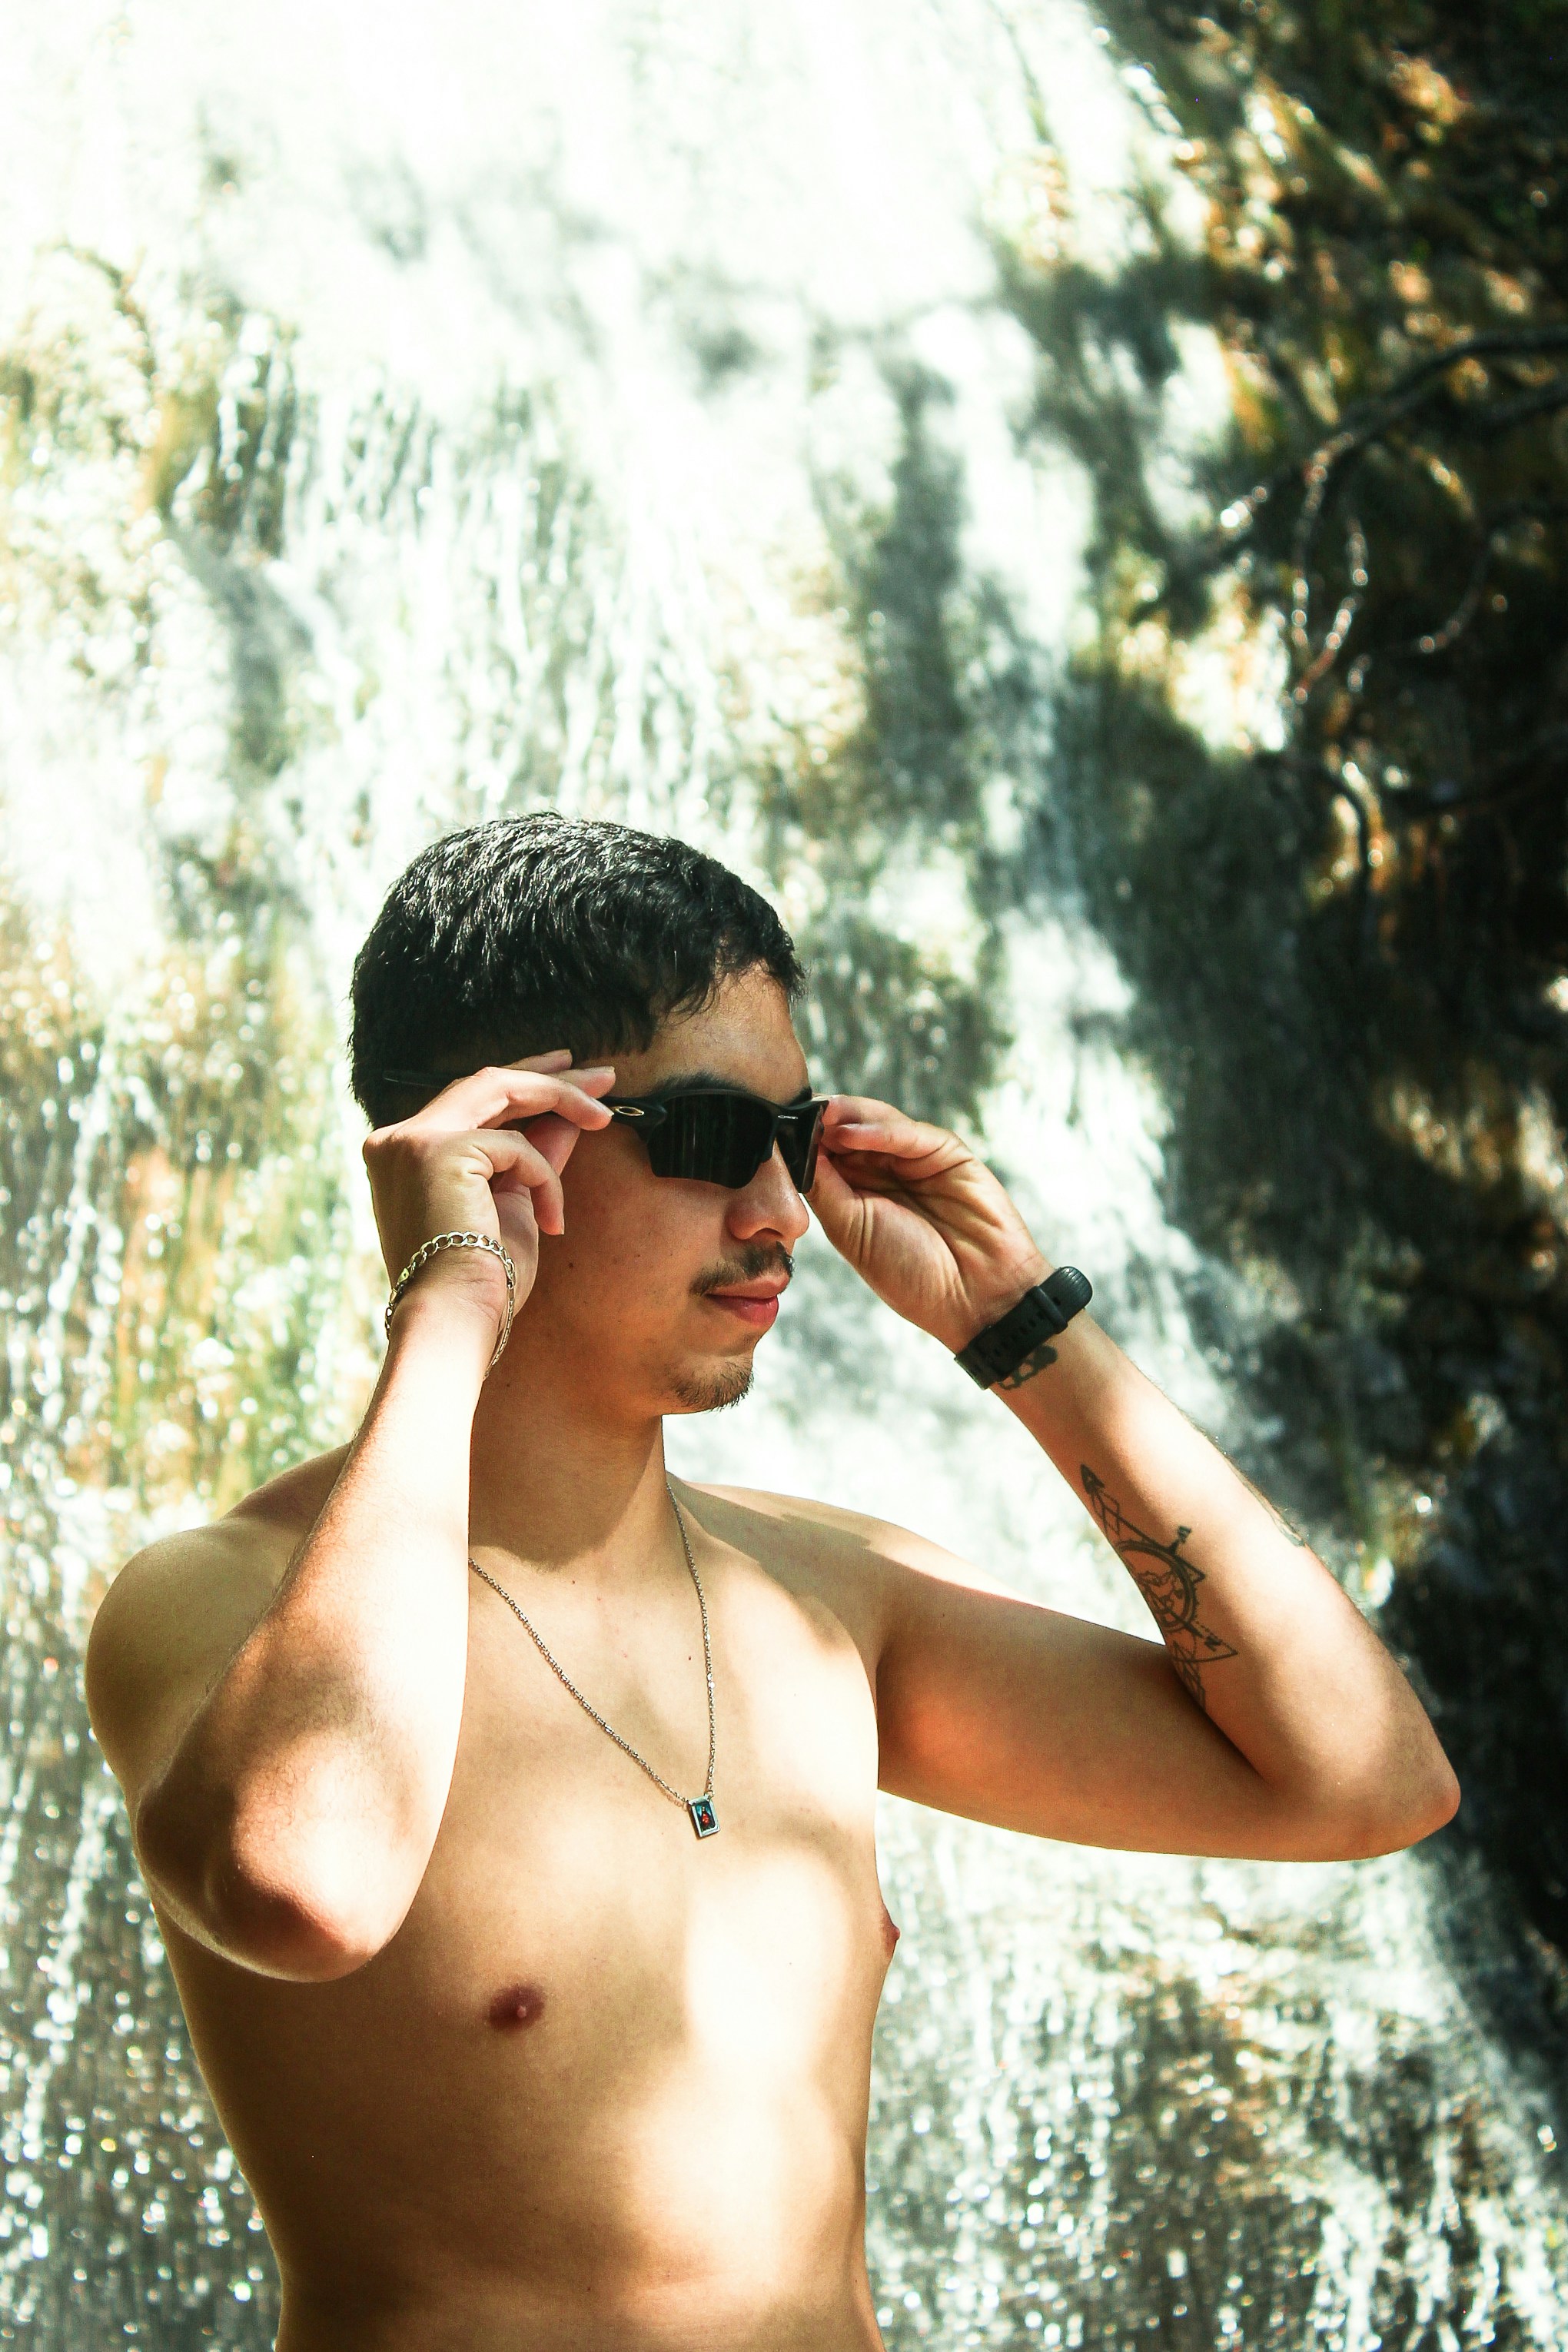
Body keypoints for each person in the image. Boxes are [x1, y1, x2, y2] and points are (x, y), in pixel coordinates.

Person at [85, 814, 1458, 2352]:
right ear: (495, 1140)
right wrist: (451, 1299)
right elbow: (308, 1889)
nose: (779, 1213)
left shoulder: (832, 1602)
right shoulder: (217, 1600)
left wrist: (1022, 1326)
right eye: (707, 1137)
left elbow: (1363, 1783)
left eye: (793, 1140)